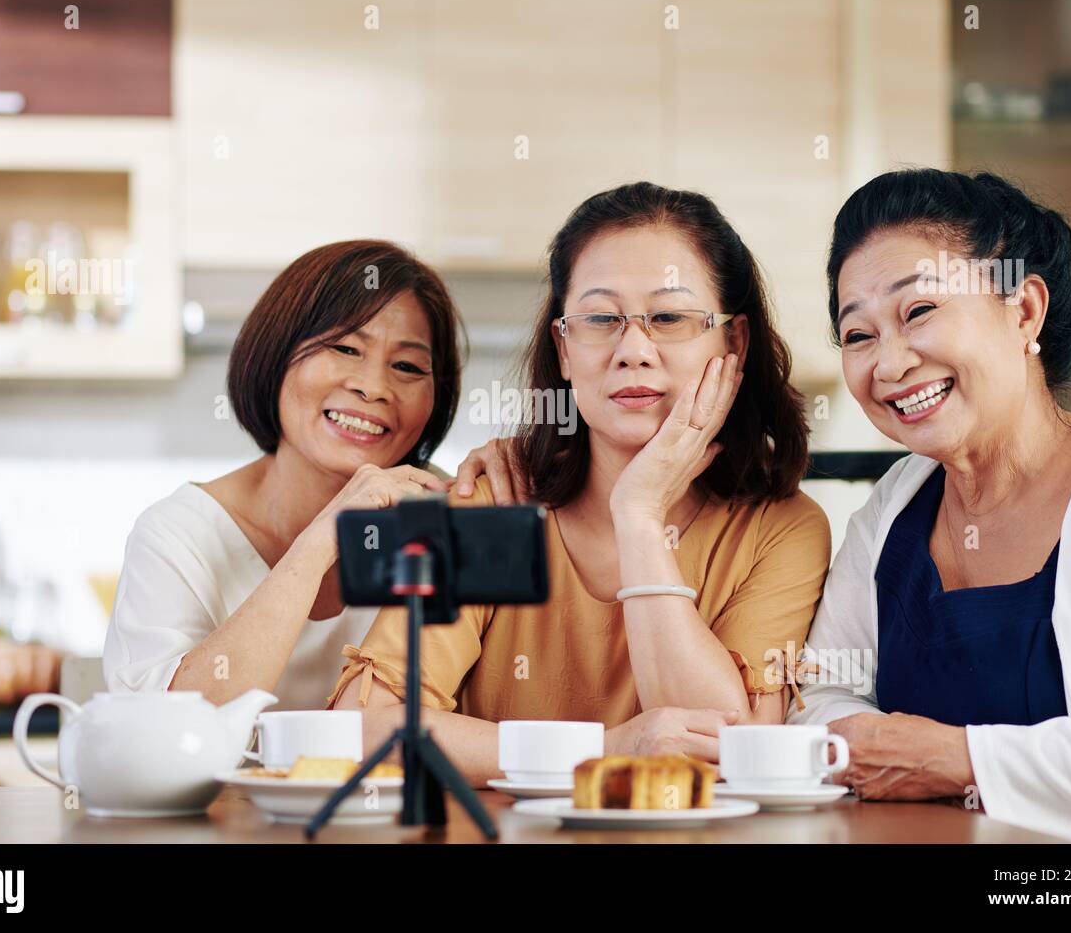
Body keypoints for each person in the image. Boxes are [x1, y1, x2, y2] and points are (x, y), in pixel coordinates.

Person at [329, 182, 830, 785]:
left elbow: (733, 752)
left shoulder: (783, 529)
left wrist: (639, 513)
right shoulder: (493, 504)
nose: (634, 350)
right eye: (600, 319)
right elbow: (366, 729)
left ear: (734, 341)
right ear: (564, 349)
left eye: (669, 318)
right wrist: (603, 748)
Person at [788, 169, 1071, 842]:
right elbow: (821, 696)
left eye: (919, 312)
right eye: (858, 335)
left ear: (1023, 310)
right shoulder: (892, 510)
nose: (890, 363)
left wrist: (954, 759)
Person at [103, 241, 462, 709]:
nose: (374, 387)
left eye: (408, 366)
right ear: (275, 355)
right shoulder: (178, 534)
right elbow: (160, 731)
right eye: (345, 347)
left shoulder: (447, 521)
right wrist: (321, 541)